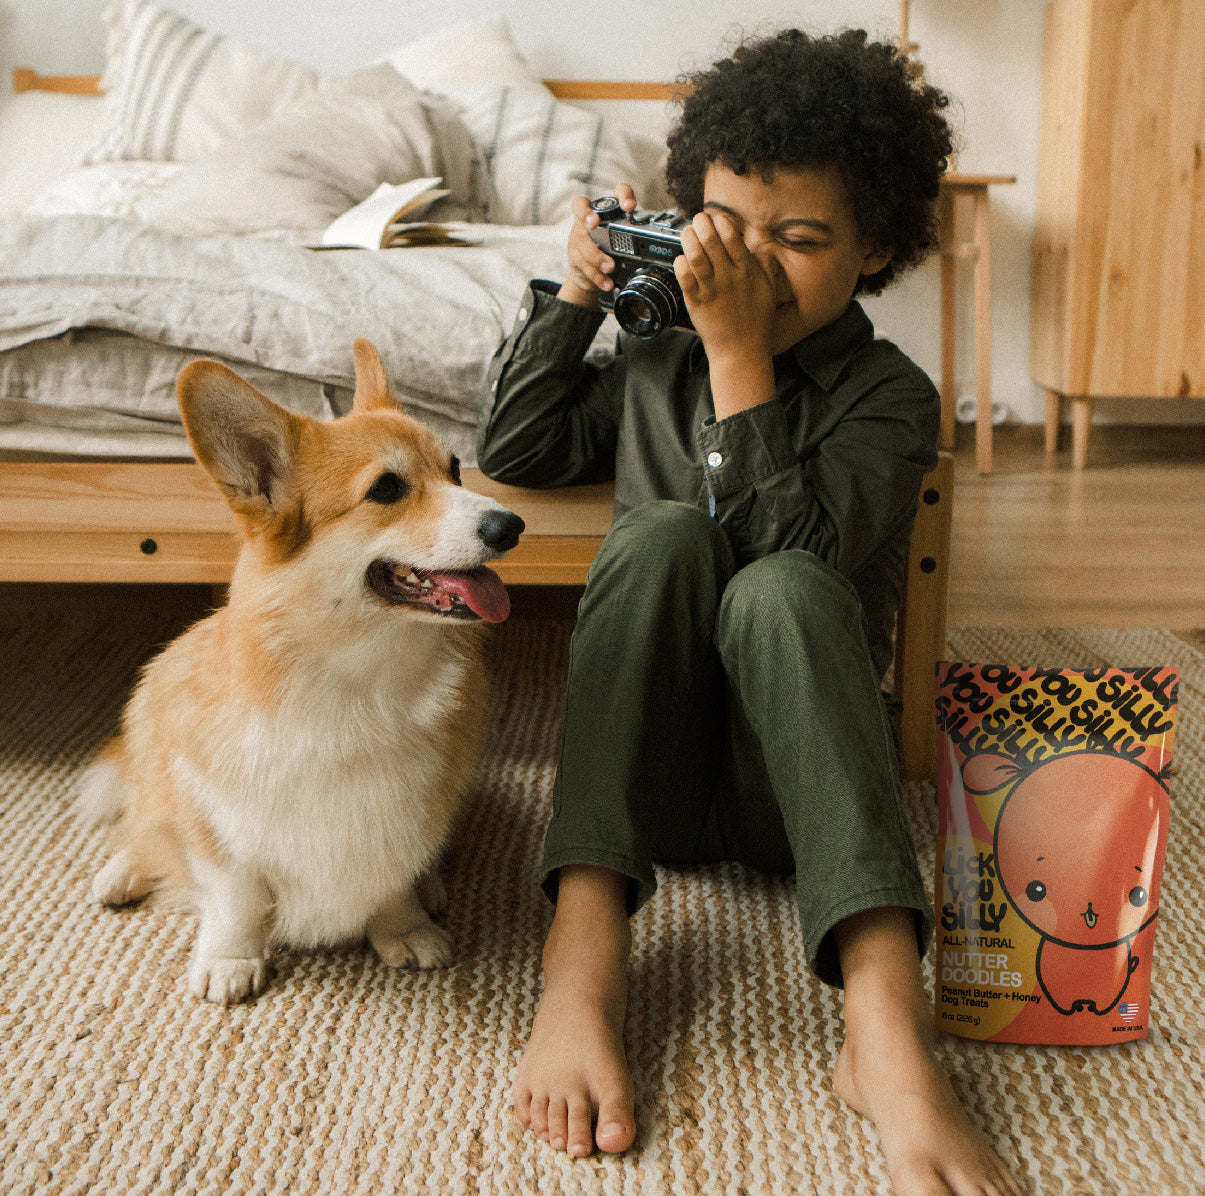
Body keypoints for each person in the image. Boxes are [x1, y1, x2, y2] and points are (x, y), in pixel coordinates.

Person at [475, 27, 1024, 1196]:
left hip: (802, 795)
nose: (760, 267)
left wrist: (735, 355)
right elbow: (515, 447)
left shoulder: (890, 396)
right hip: (649, 785)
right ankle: (581, 958)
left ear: (874, 247)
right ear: (686, 226)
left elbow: (791, 550)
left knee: (776, 582)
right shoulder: (655, 353)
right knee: (665, 530)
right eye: (732, 232)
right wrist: (576, 295)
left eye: (802, 238)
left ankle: (883, 1024)